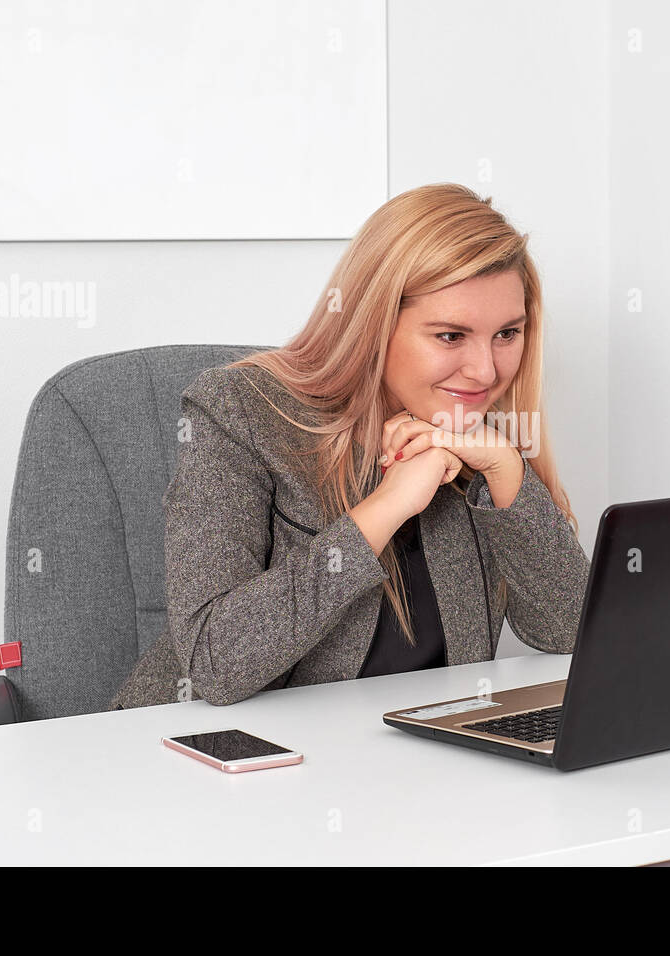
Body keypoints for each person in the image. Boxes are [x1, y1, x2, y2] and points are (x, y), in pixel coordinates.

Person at [109, 183, 589, 710]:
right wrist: (387, 507)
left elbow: (568, 632)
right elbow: (217, 663)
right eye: (450, 336)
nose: (485, 370)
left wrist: (505, 470)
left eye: (507, 334)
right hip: (211, 760)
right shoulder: (239, 412)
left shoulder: (478, 434)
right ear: (374, 323)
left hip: (401, 765)